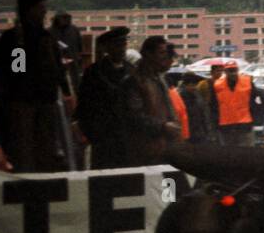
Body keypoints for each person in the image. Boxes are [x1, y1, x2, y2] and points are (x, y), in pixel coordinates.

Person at [0, 0, 72, 172]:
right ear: (29, 10)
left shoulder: (47, 37)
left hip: (47, 101)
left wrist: (66, 93)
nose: (45, 12)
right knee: (25, 150)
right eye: (41, 8)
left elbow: (58, 69)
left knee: (46, 150)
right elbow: (16, 73)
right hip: (24, 104)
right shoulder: (15, 39)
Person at [76, 27, 134, 169]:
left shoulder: (132, 70)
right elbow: (85, 106)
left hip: (128, 136)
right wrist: (93, 134)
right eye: (117, 45)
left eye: (123, 45)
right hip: (103, 138)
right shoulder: (94, 72)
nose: (121, 49)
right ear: (107, 48)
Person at [120, 36, 182, 166]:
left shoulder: (159, 79)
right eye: (161, 53)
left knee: (169, 185)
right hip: (145, 150)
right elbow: (134, 116)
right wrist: (163, 126)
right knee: (149, 185)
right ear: (148, 54)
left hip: (166, 147)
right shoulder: (134, 81)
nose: (165, 57)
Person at [214, 60, 263, 147]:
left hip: (245, 126)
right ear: (225, 72)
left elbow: (258, 99)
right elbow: (213, 105)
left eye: (234, 70)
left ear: (237, 70)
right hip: (226, 127)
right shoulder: (217, 85)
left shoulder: (247, 82)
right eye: (230, 71)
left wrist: (255, 117)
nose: (232, 73)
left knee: (247, 154)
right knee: (229, 155)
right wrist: (215, 122)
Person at [50, 11, 84, 96]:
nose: (67, 20)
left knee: (75, 80)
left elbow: (79, 45)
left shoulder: (74, 29)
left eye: (68, 18)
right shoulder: (50, 32)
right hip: (56, 61)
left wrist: (78, 56)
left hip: (72, 58)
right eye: (64, 18)